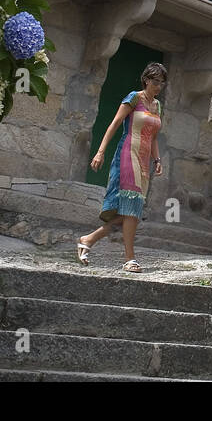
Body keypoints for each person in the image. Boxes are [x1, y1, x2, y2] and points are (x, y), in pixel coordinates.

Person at [77, 63, 166, 273]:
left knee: (132, 212)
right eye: (155, 82)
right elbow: (115, 124)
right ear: (146, 80)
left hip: (144, 162)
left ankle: (89, 239)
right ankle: (129, 259)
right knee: (131, 208)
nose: (158, 86)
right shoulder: (134, 98)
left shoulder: (158, 106)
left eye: (162, 83)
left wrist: (158, 160)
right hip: (128, 155)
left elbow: (153, 137)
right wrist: (100, 151)